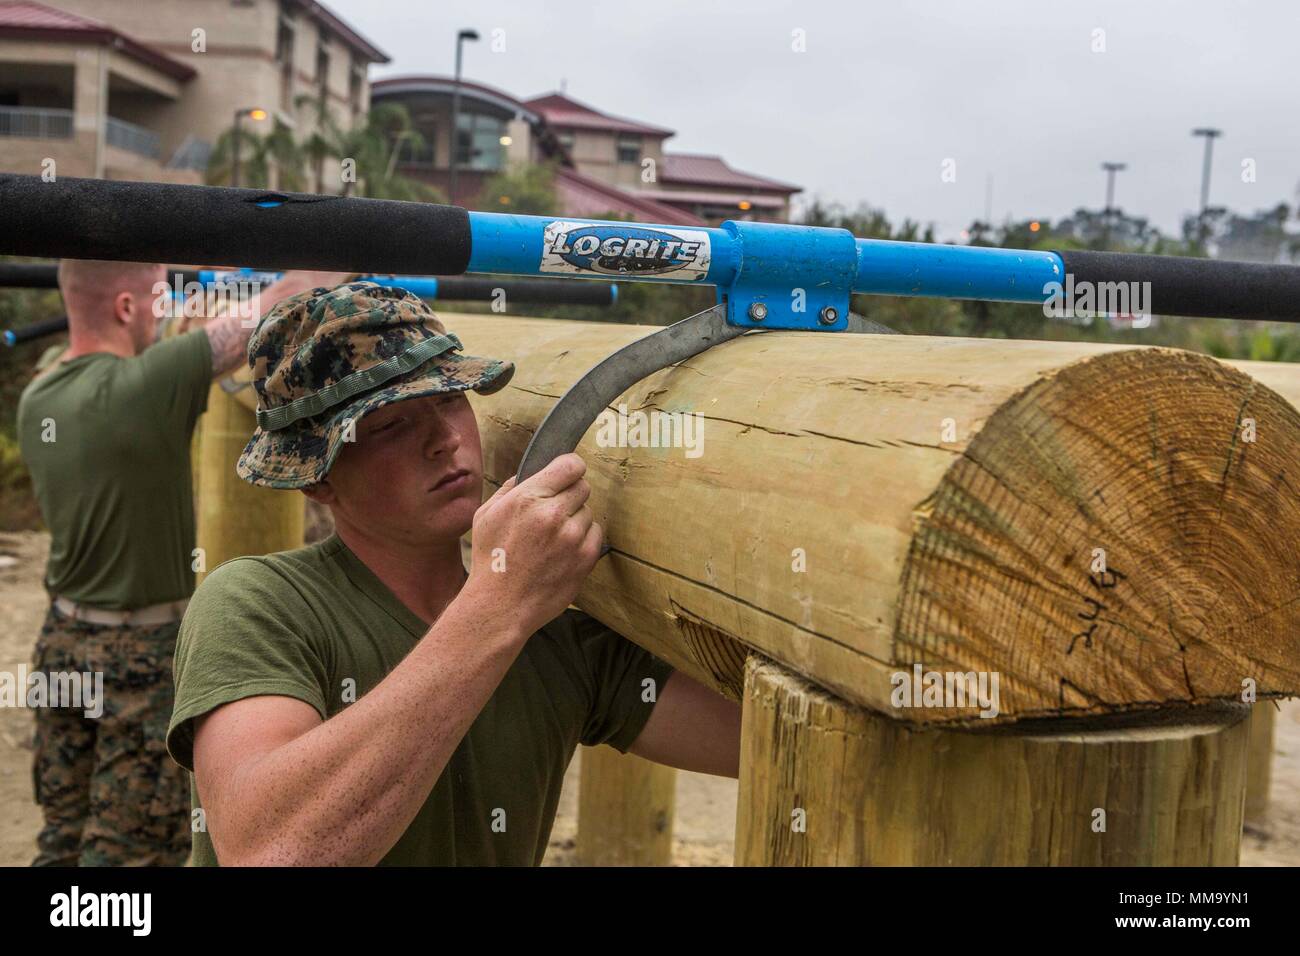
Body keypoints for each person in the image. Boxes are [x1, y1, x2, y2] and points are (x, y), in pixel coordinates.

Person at [166, 281, 742, 865]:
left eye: (449, 399)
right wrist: (500, 604)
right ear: (317, 475)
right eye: (391, 425)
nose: (444, 440)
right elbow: (270, 852)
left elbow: (754, 738)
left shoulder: (556, 639)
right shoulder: (255, 604)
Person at [16, 259, 348, 866]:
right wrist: (335, 246)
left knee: (61, 839)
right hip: (137, 660)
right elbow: (288, 296)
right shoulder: (147, 385)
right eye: (156, 299)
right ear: (124, 309)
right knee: (131, 855)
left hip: (60, 641)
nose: (164, 312)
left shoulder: (41, 393)